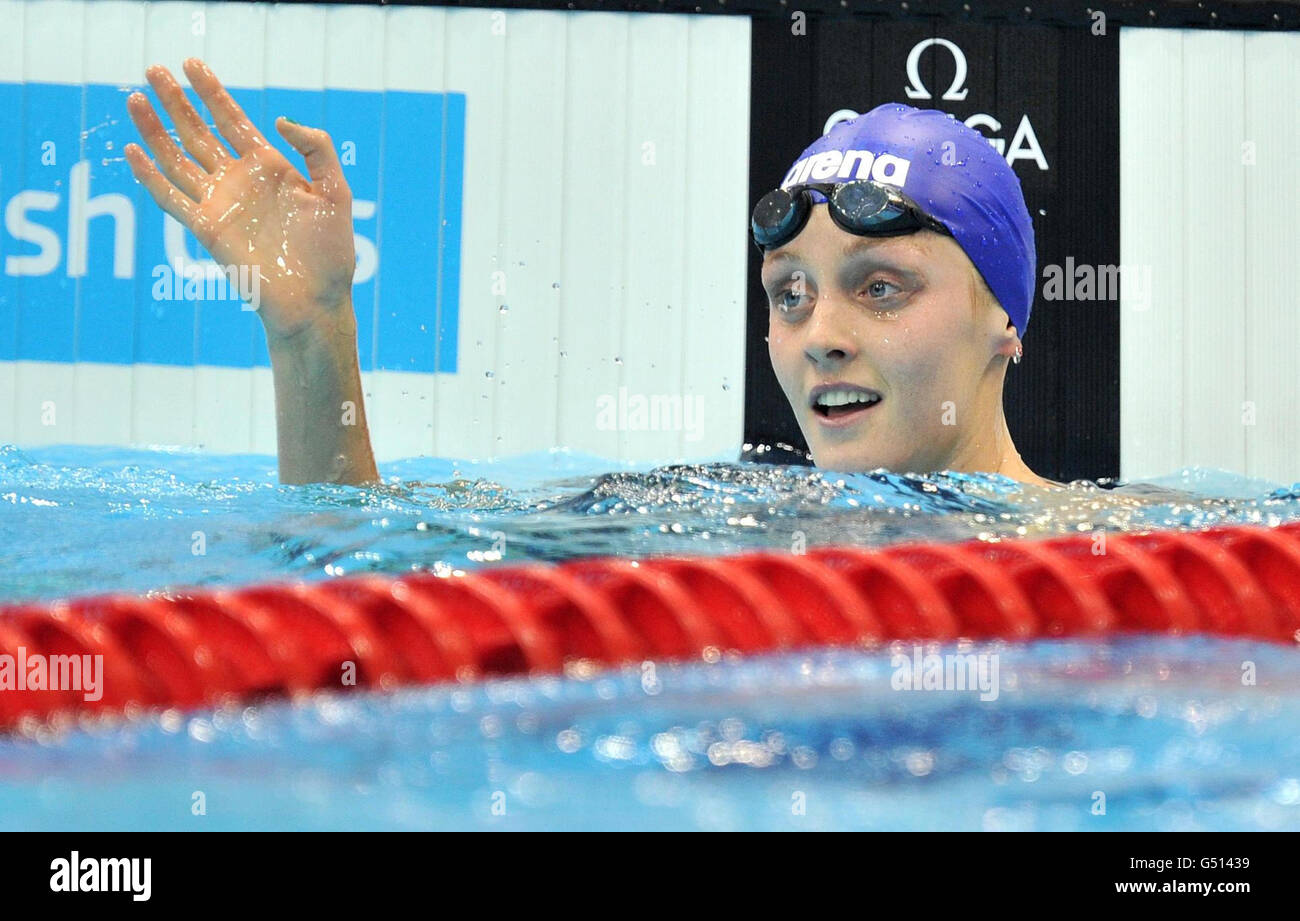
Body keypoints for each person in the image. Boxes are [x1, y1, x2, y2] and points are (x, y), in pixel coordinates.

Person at [126, 59, 1054, 488]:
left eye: (880, 286)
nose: (823, 337)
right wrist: (311, 328)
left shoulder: (1131, 545)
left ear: (1004, 318)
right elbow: (352, 581)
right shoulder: (724, 520)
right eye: (790, 296)